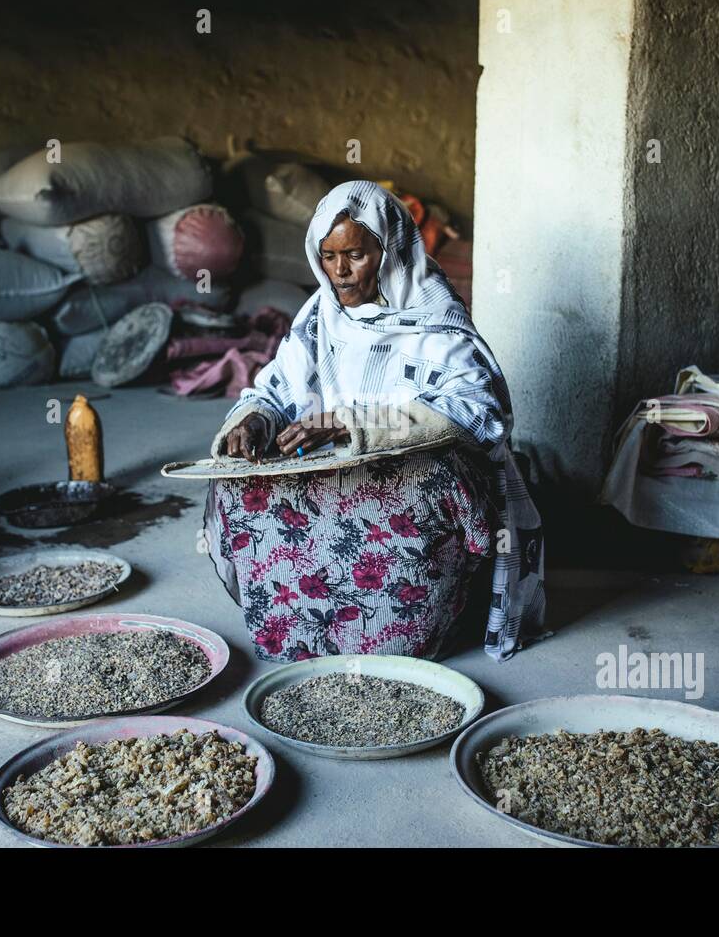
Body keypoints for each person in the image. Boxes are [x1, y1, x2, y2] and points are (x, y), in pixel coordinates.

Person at [204, 181, 543, 662]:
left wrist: (347, 423)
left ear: (391, 249)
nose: (340, 272)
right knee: (241, 483)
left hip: (418, 472)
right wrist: (254, 419)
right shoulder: (320, 318)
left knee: (427, 485)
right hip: (337, 469)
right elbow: (274, 387)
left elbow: (477, 412)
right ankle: (299, 625)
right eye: (327, 256)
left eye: (356, 255)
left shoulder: (433, 318)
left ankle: (394, 630)